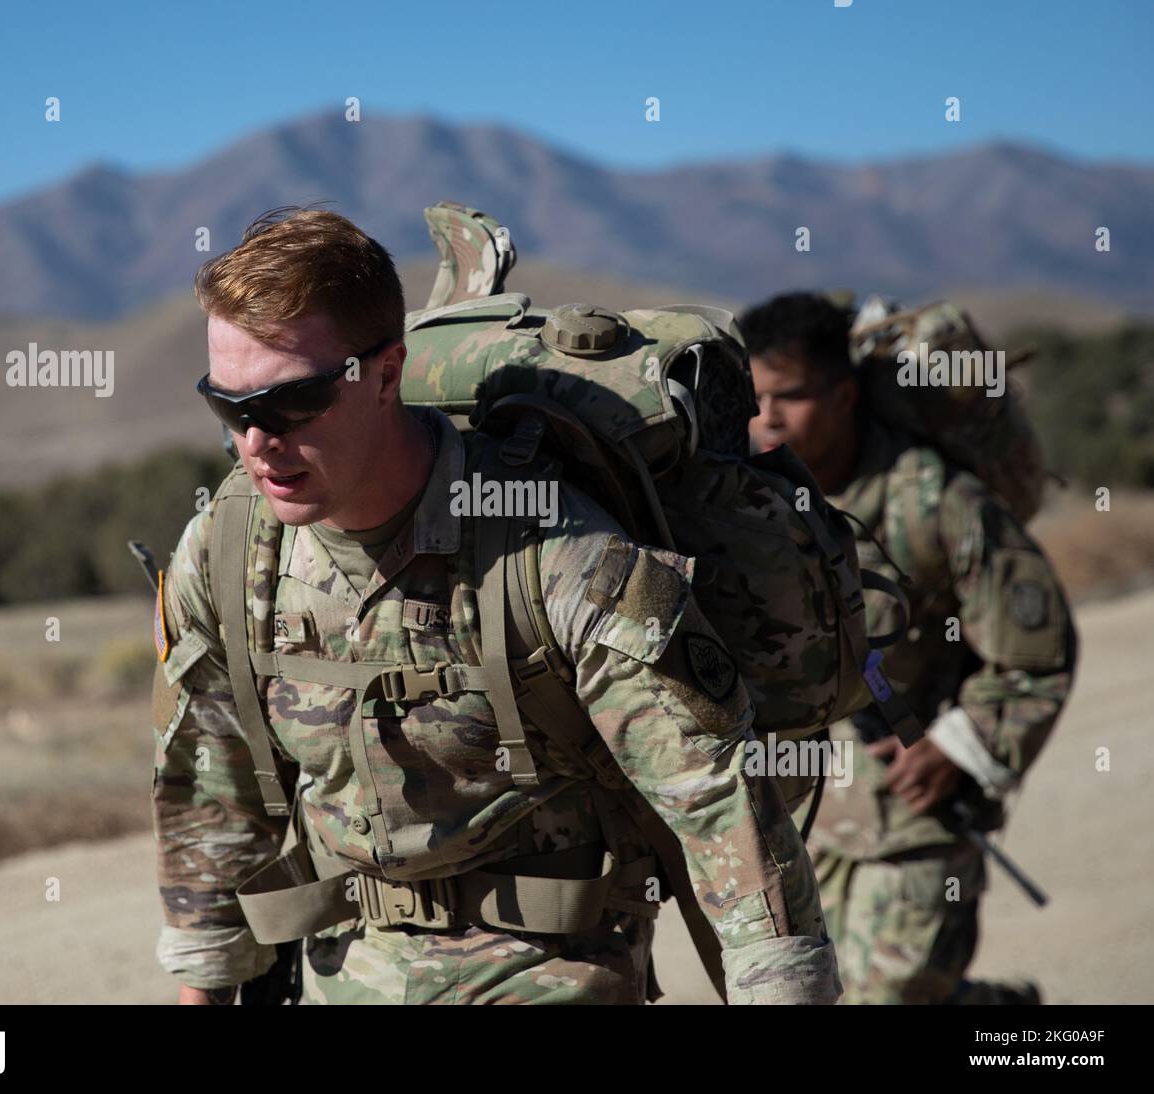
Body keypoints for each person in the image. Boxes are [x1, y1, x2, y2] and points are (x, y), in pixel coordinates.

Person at [148, 207, 841, 1005]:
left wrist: (782, 989)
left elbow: (718, 798)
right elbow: (211, 783)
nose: (255, 440)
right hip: (347, 970)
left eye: (292, 402)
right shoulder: (228, 550)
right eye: (227, 406)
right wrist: (204, 985)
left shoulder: (551, 552)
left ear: (384, 374)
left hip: (551, 971)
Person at [738, 292, 1077, 1005]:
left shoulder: (936, 502)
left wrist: (960, 745)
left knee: (890, 996)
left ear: (844, 394)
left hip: (918, 806)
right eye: (756, 396)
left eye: (791, 396)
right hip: (801, 819)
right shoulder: (746, 503)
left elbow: (1036, 651)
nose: (768, 416)